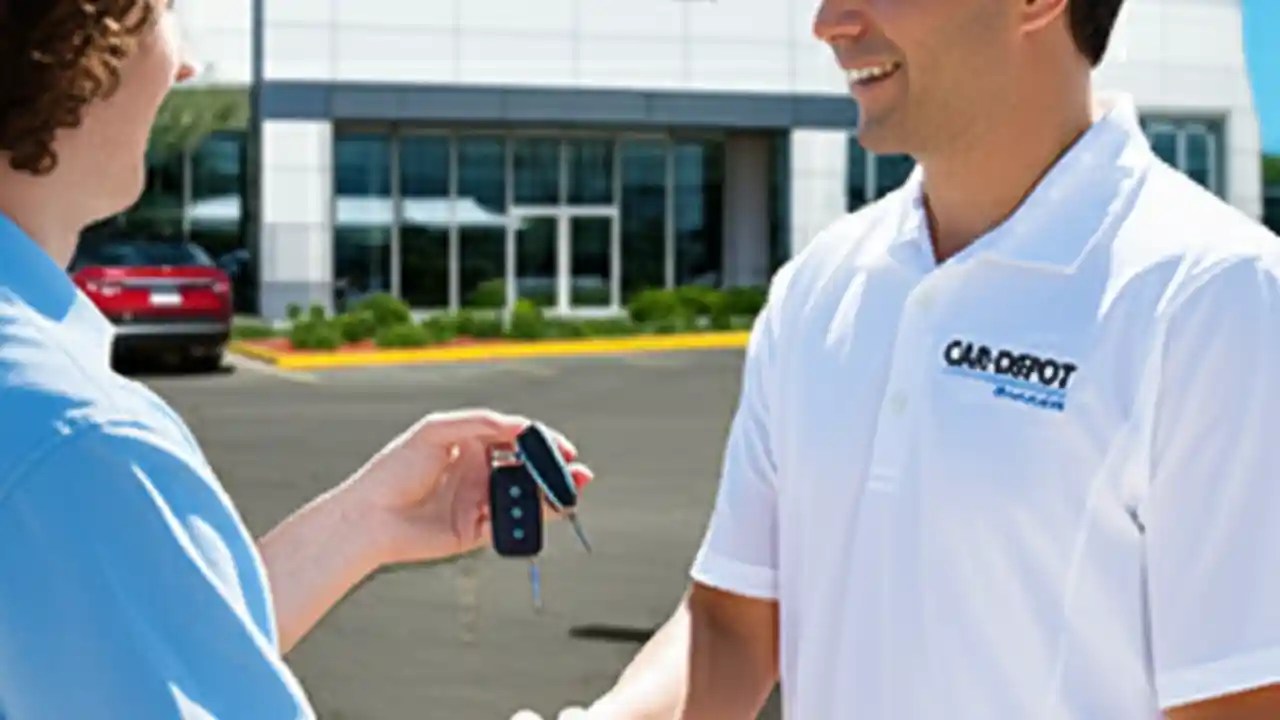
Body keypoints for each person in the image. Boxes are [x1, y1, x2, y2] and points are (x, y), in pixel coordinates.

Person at [520, 0, 1280, 718]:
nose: (829, 23)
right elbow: (735, 621)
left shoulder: (1215, 297)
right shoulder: (821, 286)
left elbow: (1242, 696)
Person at [0, 2, 593, 717]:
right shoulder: (76, 440)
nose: (184, 64)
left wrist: (366, 521)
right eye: (160, 14)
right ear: (69, 44)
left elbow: (143, 650)